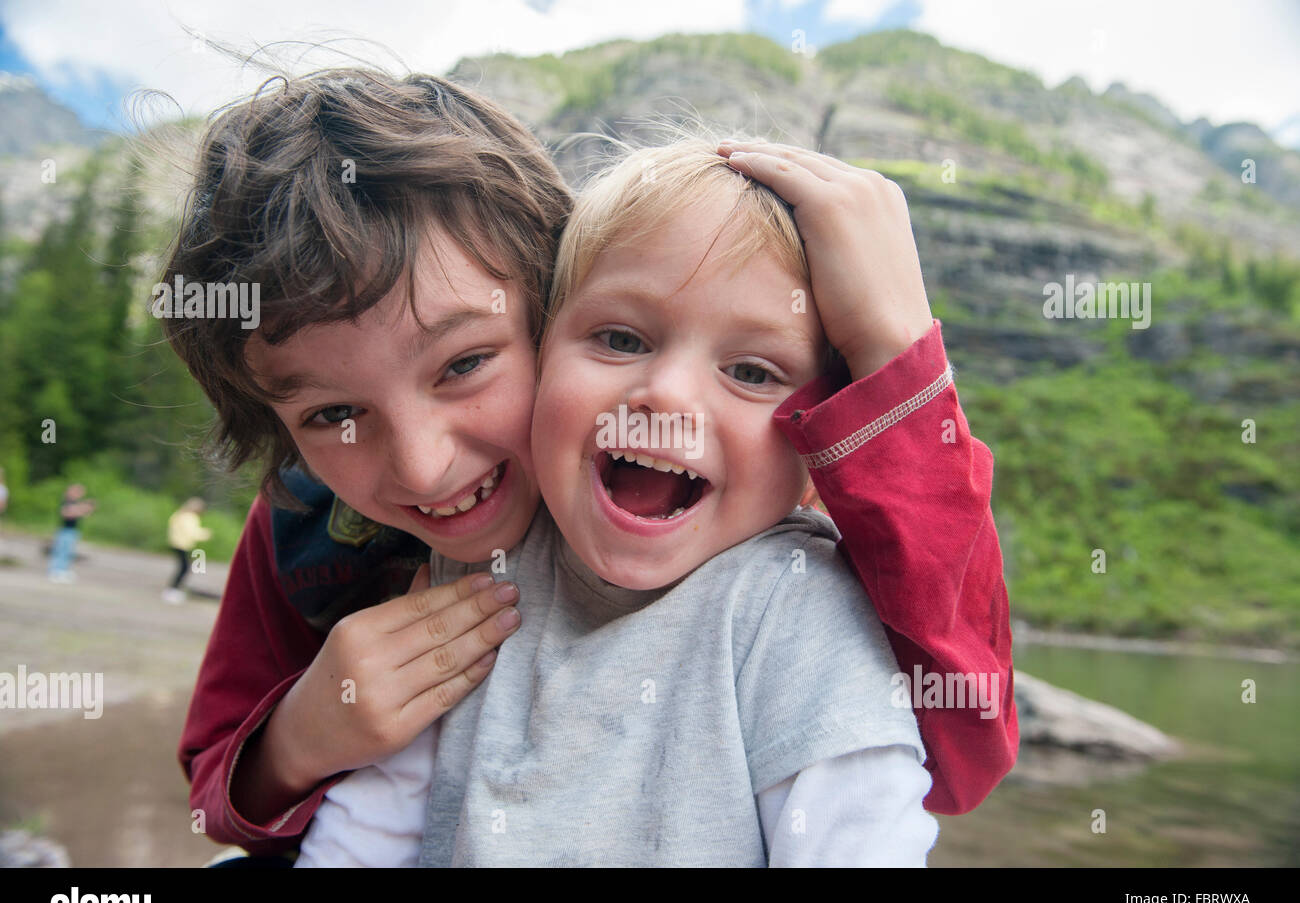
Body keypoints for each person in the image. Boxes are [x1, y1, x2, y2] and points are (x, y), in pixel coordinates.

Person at [162, 69, 1015, 860]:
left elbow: (961, 752)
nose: (423, 469)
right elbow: (223, 797)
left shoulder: (784, 590)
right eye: (334, 414)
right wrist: (305, 736)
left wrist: (897, 354)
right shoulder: (305, 519)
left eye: (464, 364)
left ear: (549, 307)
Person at [297, 140, 937, 866]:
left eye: (753, 371)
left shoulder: (795, 609)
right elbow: (368, 829)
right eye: (621, 337)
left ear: (817, 448)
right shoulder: (477, 573)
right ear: (542, 353)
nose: (666, 393)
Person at [164, 497, 212, 603]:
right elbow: (192, 533)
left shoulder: (179, 514)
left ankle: (173, 589)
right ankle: (173, 590)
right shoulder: (190, 517)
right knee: (184, 568)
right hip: (182, 545)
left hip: (175, 543)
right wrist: (206, 534)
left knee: (183, 567)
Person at [47, 483, 95, 583]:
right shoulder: (67, 501)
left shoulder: (74, 502)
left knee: (67, 552)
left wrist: (84, 509)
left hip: (72, 530)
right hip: (65, 530)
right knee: (61, 551)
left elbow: (83, 514)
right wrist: (81, 508)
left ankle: (62, 570)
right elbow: (67, 513)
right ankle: (55, 571)